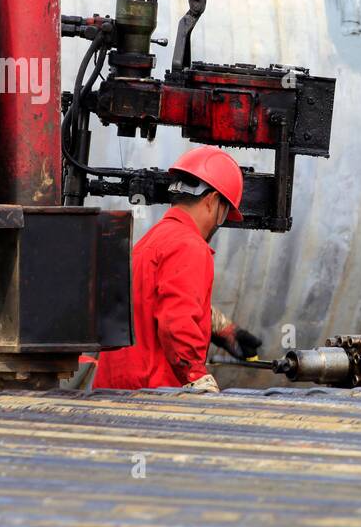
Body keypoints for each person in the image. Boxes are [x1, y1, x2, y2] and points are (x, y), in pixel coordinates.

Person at [94, 146, 262, 392]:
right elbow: (177, 322)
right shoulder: (189, 246)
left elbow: (154, 299)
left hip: (114, 390)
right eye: (225, 212)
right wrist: (197, 378)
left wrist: (223, 330)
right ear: (213, 201)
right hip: (153, 397)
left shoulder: (152, 241)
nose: (221, 222)